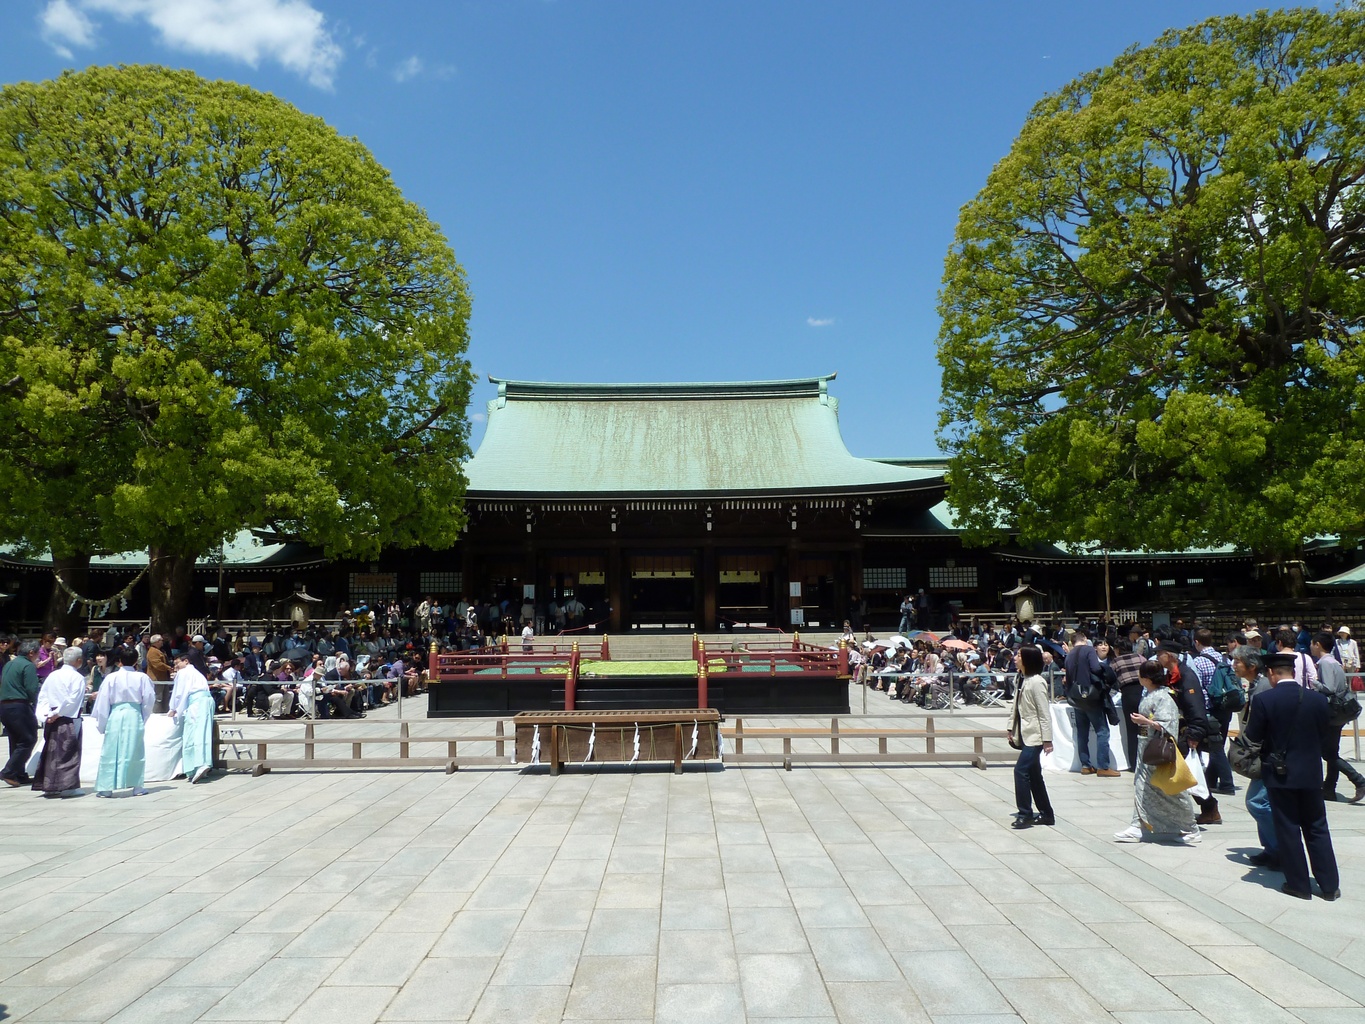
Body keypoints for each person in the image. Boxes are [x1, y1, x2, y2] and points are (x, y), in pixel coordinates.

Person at [1243, 651, 1341, 900]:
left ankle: (1299, 884)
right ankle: (1329, 886)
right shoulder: (1318, 699)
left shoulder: (1264, 700)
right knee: (1317, 826)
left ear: (1271, 673)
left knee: (1288, 828)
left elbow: (1253, 736)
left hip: (1280, 774)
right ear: (1294, 672)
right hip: (1311, 772)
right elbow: (1323, 733)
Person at [1114, 661, 1200, 845]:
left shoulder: (1163, 697)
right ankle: (1137, 825)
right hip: (1145, 747)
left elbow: (1167, 723)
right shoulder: (1151, 694)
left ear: (1146, 678)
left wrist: (1145, 721)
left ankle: (1190, 827)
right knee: (1142, 786)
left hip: (1155, 748)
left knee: (1171, 791)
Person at [1230, 646, 1277, 868]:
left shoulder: (1264, 687)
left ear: (1251, 665)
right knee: (1263, 802)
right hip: (1260, 753)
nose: (1234, 665)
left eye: (1237, 661)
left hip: (1268, 755)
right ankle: (1271, 849)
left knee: (1256, 802)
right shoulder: (1255, 686)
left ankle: (1280, 848)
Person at [91, 647, 157, 797]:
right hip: (134, 713)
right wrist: (144, 715)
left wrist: (102, 722)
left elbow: (103, 700)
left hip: (115, 713)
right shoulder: (142, 677)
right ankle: (137, 786)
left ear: (120, 661)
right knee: (135, 749)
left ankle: (106, 788)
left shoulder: (111, 677)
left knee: (110, 749)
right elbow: (149, 699)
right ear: (135, 661)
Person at [1310, 632, 1365, 804]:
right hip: (1339, 712)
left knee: (1328, 754)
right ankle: (1329, 789)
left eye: (1312, 643)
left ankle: (1359, 780)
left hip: (1331, 713)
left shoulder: (1325, 663)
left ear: (1318, 645)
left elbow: (1330, 688)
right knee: (1332, 752)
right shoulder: (1334, 662)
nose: (1310, 647)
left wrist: (1313, 682)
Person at [31, 645, 87, 797]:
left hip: (51, 718)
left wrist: (45, 715)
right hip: (68, 718)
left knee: (52, 753)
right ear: (79, 660)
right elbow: (73, 700)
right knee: (68, 753)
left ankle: (51, 785)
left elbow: (43, 697)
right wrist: (57, 713)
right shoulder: (77, 677)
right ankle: (67, 787)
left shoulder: (53, 675)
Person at [1008, 645, 1054, 828]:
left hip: (1035, 736)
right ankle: (1046, 814)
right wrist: (1010, 728)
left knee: (1020, 771)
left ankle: (1025, 814)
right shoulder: (1021, 679)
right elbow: (1015, 707)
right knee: (1034, 775)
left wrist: (1047, 740)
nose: (1015, 658)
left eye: (1019, 655)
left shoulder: (1037, 682)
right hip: (1024, 733)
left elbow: (1044, 713)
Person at [1064, 629, 1119, 777]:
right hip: (1091, 696)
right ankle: (1103, 766)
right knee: (1102, 731)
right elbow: (1095, 668)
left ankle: (1085, 765)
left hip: (1076, 698)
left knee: (1082, 733)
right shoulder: (1088, 650)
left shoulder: (1069, 654)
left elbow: (1068, 677)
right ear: (1085, 639)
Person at [169, 653, 215, 784]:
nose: (176, 666)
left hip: (197, 703)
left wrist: (174, 708)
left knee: (195, 733)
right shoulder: (196, 673)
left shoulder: (184, 673)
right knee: (204, 733)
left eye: (177, 663)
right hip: (206, 701)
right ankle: (199, 765)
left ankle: (200, 764)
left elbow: (179, 692)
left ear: (186, 661)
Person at [1, 640, 42, 787]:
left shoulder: (9, 664)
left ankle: (19, 773)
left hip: (4, 706)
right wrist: (38, 704)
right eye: (37, 653)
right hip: (19, 705)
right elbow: (31, 688)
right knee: (28, 739)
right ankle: (8, 771)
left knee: (15, 740)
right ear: (31, 653)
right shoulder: (28, 665)